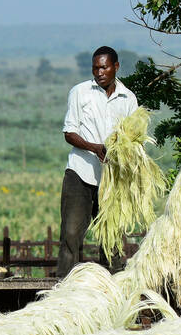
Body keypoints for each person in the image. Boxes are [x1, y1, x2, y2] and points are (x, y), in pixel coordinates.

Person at [57, 46, 138, 277]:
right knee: (71, 235)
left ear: (116, 67)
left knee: (111, 237)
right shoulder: (80, 92)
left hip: (111, 179)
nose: (99, 72)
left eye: (104, 67)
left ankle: (112, 284)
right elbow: (69, 133)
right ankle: (63, 287)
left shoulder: (128, 99)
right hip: (80, 174)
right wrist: (95, 148)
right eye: (95, 68)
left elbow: (133, 138)